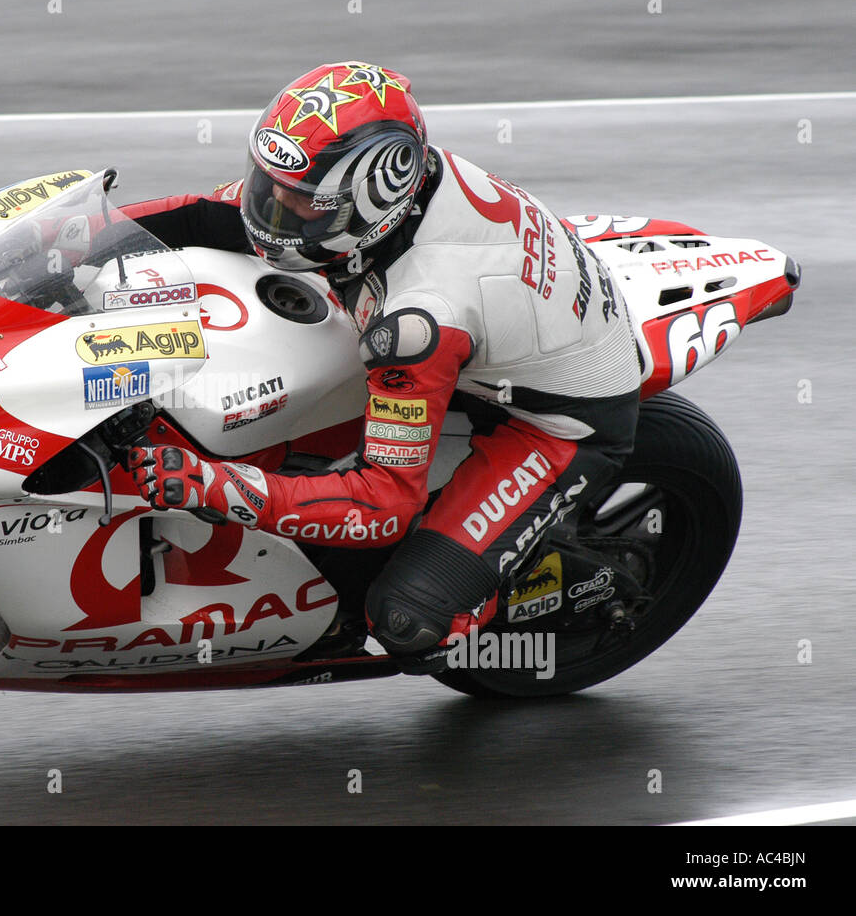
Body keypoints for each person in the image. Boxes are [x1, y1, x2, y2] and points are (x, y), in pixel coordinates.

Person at [120, 62, 641, 668]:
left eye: (302, 203)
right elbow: (204, 213)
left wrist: (214, 486)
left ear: (374, 201)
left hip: (553, 425)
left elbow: (383, 504)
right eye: (268, 184)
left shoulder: (417, 323)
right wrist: (70, 234)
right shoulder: (377, 185)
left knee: (407, 620)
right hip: (500, 332)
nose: (273, 209)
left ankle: (518, 590)